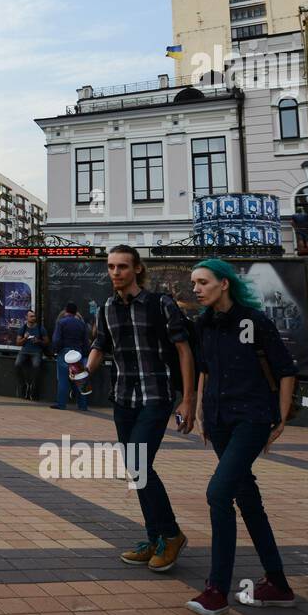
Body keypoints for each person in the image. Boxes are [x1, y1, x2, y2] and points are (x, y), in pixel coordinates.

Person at [184, 259, 298, 615]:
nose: (197, 289)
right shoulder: (202, 324)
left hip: (252, 418)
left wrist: (280, 417)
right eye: (194, 284)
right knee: (247, 498)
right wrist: (201, 410)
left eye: (203, 282)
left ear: (224, 283)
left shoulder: (254, 320)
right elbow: (204, 369)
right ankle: (277, 584)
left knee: (219, 493)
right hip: (218, 420)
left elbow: (285, 370)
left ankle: (217, 590)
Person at [84, 245, 195, 573]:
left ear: (137, 270)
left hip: (155, 397)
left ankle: (171, 535)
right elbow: (99, 345)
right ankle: (155, 538)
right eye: (110, 267)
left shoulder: (160, 304)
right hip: (123, 399)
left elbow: (184, 351)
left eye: (122, 267)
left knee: (139, 464)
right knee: (136, 470)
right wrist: (83, 372)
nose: (115, 273)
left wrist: (188, 400)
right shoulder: (106, 307)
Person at [52, 302, 91, 411]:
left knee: (63, 379)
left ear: (66, 310)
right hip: (78, 353)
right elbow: (86, 342)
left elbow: (56, 340)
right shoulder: (81, 324)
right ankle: (83, 405)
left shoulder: (61, 323)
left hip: (65, 352)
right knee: (79, 379)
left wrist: (56, 350)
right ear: (75, 312)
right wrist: (84, 354)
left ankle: (61, 404)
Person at [14, 310, 48, 400]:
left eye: (34, 316)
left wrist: (38, 341)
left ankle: (33, 386)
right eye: (31, 316)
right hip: (25, 351)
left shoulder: (40, 328)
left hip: (36, 351)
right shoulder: (23, 328)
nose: (33, 318)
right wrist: (25, 338)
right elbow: (18, 343)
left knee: (36, 366)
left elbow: (46, 342)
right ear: (27, 317)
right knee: (17, 364)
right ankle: (24, 385)